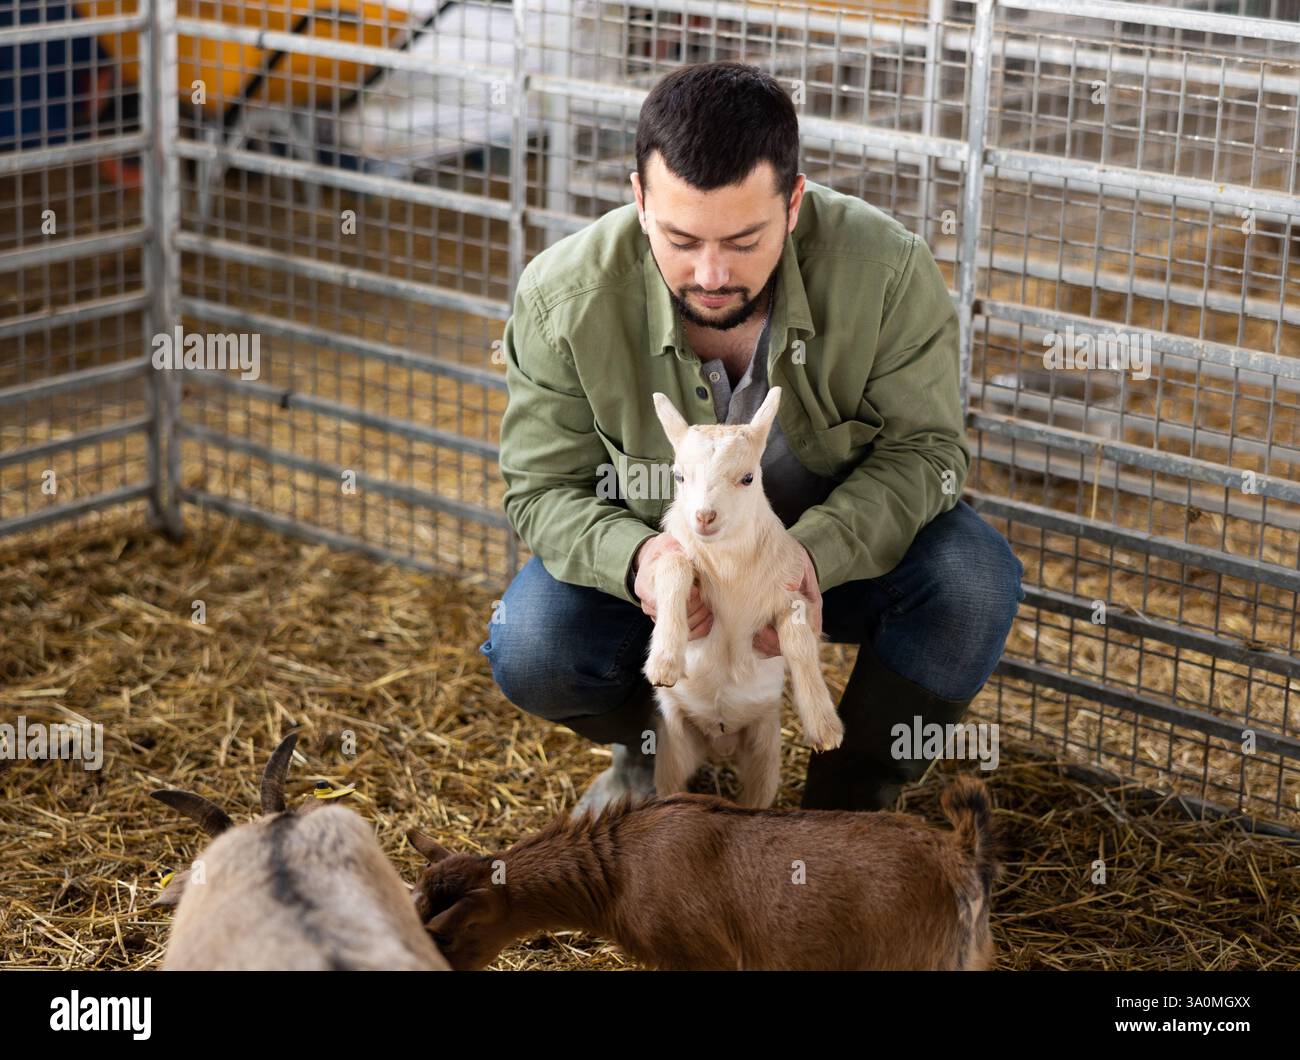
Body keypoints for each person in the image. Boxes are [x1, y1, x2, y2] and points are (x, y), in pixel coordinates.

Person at [483, 61, 1024, 815]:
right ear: (639, 201)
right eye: (680, 238)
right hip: (669, 573)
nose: (710, 274)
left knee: (974, 580)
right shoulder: (560, 297)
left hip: (833, 563)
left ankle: (849, 800)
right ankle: (654, 754)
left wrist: (815, 553)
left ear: (794, 202)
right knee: (534, 644)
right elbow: (542, 491)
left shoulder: (887, 270)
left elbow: (928, 456)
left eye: (744, 240)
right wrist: (641, 561)